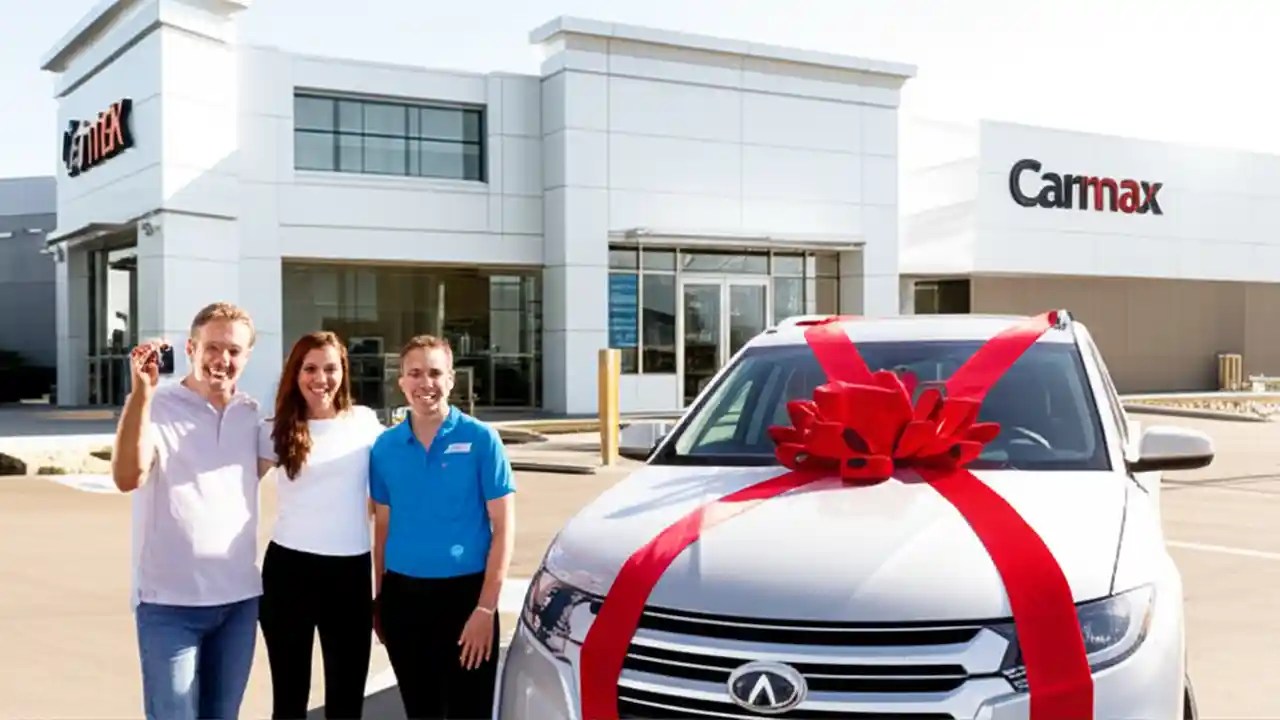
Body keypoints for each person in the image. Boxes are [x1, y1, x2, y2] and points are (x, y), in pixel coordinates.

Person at [111, 301, 263, 720]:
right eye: (212, 347)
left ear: (247, 356)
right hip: (169, 604)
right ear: (192, 348)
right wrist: (141, 394)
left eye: (234, 350)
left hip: (238, 603)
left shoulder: (252, 414)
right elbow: (127, 476)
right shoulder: (156, 406)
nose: (222, 359)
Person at [369, 335, 516, 720]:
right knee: (421, 711)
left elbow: (504, 528)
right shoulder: (384, 448)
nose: (425, 383)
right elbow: (382, 528)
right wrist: (380, 601)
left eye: (435, 373)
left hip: (466, 599)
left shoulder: (482, 439)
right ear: (402, 382)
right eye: (415, 373)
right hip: (403, 600)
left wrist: (485, 608)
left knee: (470, 711)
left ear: (451, 379)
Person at [255, 331, 387, 719]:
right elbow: (232, 489)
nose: (321, 378)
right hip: (288, 573)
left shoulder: (364, 422)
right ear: (295, 374)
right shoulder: (275, 429)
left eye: (330, 368)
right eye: (310, 368)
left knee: (346, 702)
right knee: (289, 700)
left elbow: (393, 489)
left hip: (349, 575)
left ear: (343, 372)